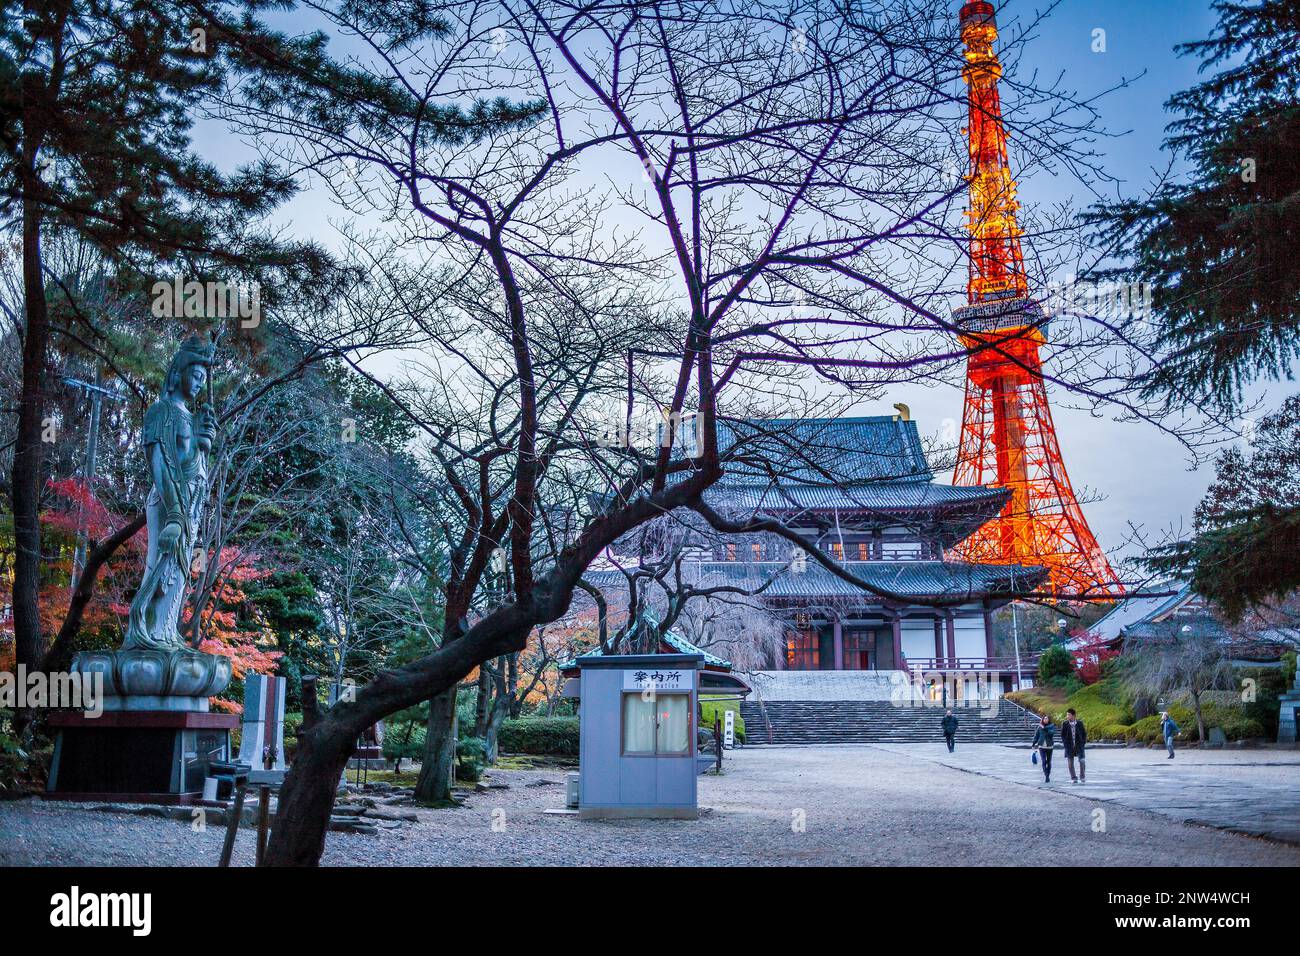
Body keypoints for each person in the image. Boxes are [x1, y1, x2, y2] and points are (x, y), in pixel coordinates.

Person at [1061, 707, 1087, 783]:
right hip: (1069, 746)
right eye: (1067, 715)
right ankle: (1073, 778)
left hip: (1079, 746)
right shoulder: (1065, 723)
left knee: (1082, 761)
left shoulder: (1079, 723)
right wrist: (1065, 744)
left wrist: (1083, 742)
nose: (1067, 716)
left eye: (1069, 715)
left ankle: (1082, 776)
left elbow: (1084, 733)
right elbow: (1062, 735)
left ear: (1073, 715)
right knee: (1070, 762)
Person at [1031, 714, 1055, 783]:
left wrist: (1045, 728)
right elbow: (1036, 736)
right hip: (1041, 746)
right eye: (1044, 719)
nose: (1046, 720)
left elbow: (1052, 734)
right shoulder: (1039, 727)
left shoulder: (1051, 726)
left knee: (1049, 762)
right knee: (1044, 761)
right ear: (1042, 719)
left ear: (1049, 720)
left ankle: (1048, 775)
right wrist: (1033, 743)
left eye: (1047, 719)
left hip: (1049, 746)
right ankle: (1046, 776)